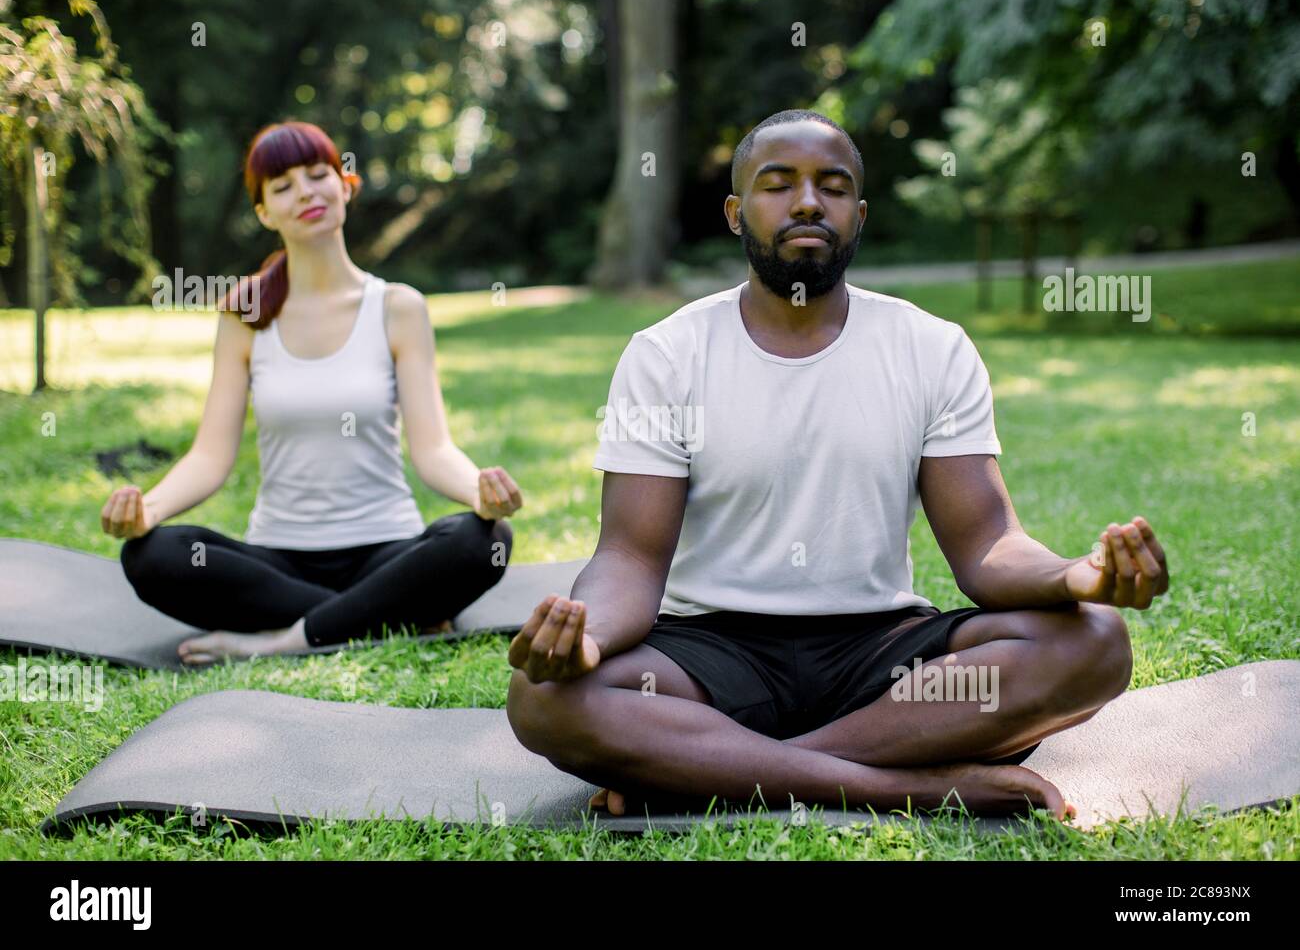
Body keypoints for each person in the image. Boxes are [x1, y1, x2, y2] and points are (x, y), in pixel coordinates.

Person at [505, 110, 1169, 822]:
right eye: (778, 184)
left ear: (858, 212)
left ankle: (709, 769)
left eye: (833, 185)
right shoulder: (665, 354)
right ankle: (906, 786)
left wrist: (1077, 576)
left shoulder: (931, 346)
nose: (807, 202)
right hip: (710, 660)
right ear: (736, 213)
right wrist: (589, 639)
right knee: (543, 697)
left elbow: (987, 546)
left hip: (882, 662)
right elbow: (630, 559)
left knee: (1093, 640)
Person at [101, 121, 521, 666]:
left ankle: (283, 640)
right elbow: (210, 456)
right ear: (264, 213)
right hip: (279, 564)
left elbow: (434, 450)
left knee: (482, 540)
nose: (305, 191)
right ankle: (384, 617)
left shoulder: (398, 308)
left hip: (387, 551)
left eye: (318, 174)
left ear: (344, 185)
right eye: (282, 185)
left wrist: (479, 493)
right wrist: (147, 510)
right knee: (152, 556)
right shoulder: (245, 314)